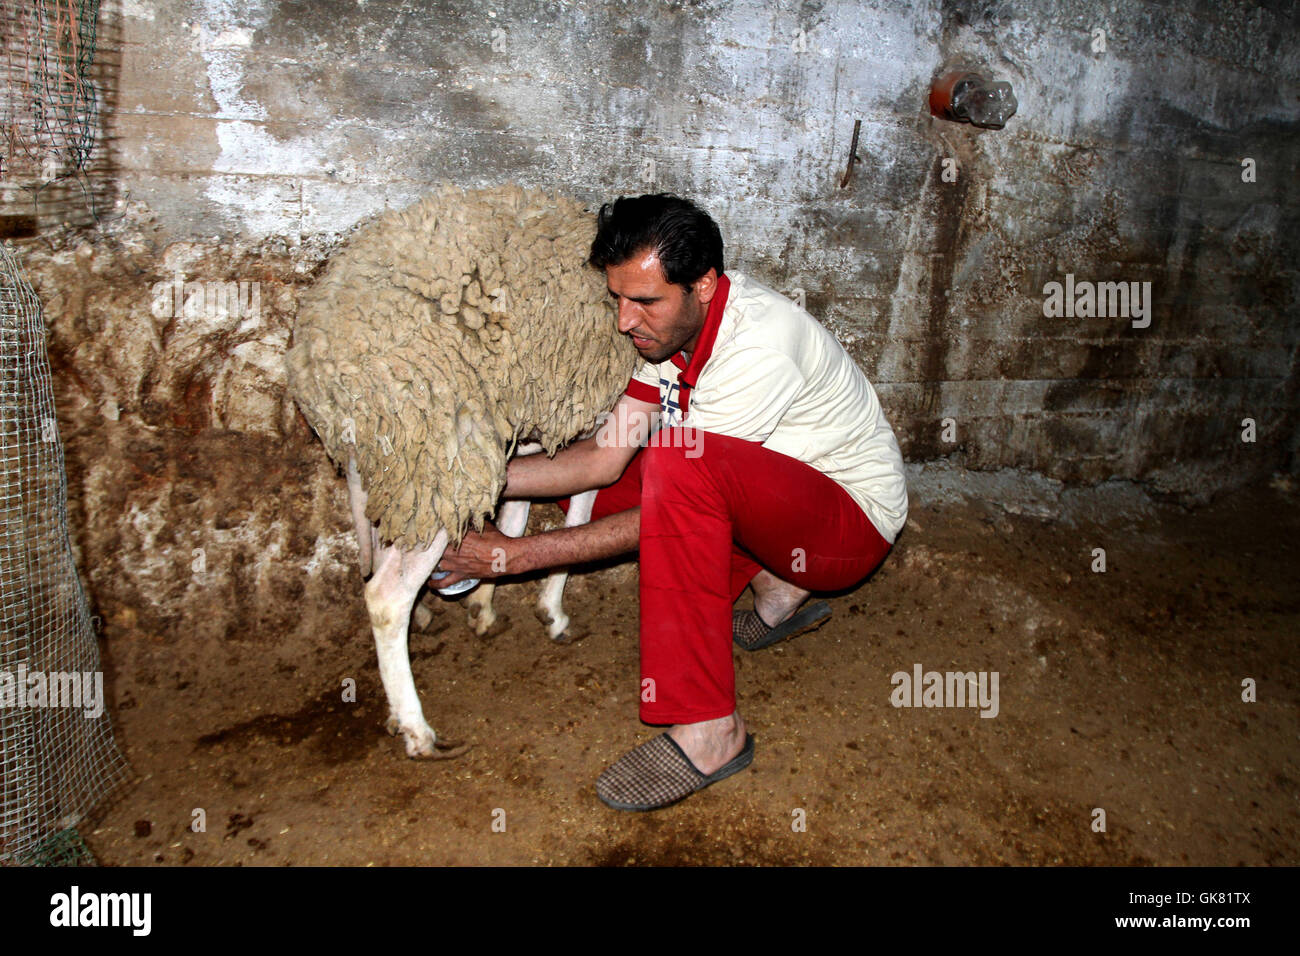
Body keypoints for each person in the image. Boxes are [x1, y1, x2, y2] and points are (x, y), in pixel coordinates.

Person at [435, 194, 907, 811]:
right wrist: (474, 477)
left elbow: (677, 500)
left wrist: (512, 557)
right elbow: (604, 456)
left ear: (704, 285)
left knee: (678, 465)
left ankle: (711, 730)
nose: (625, 321)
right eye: (619, 299)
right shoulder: (671, 336)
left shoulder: (758, 344)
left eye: (646, 302)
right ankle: (779, 587)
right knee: (606, 495)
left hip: (847, 528)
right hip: (776, 506)